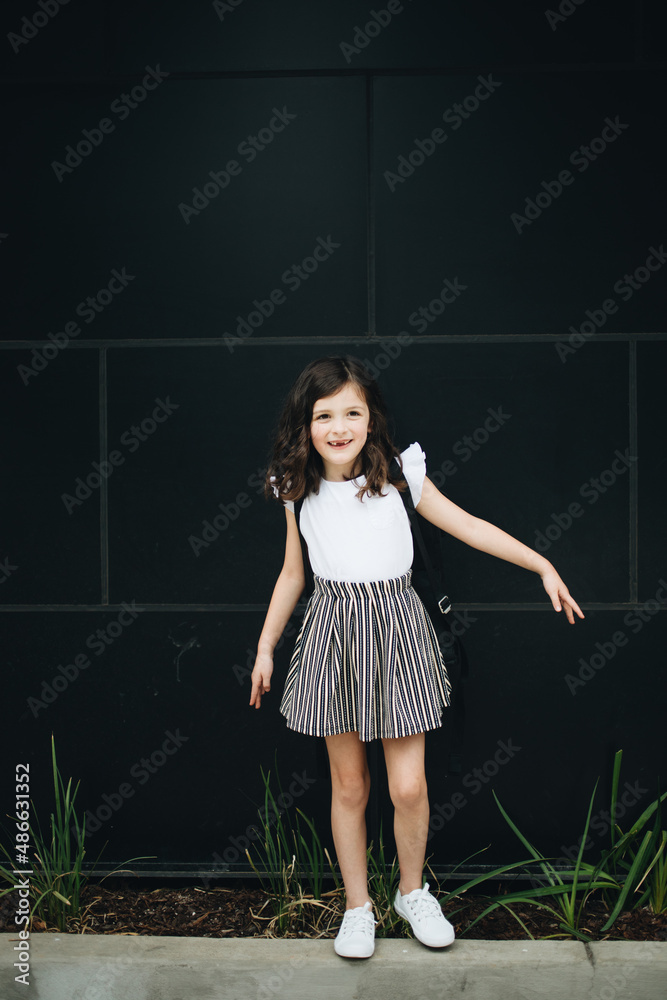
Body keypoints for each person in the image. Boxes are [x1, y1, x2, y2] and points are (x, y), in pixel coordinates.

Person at [249, 354, 584, 959]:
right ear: (304, 426)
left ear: (372, 418)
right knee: (349, 785)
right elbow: (292, 572)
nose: (339, 426)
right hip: (332, 633)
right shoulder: (296, 490)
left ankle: (412, 892)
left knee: (407, 787)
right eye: (324, 415)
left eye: (352, 411)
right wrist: (266, 646)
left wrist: (541, 563)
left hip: (399, 630)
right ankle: (357, 907)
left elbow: (469, 526)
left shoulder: (402, 476)